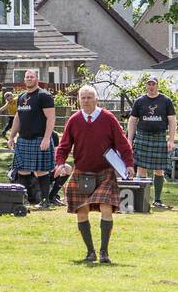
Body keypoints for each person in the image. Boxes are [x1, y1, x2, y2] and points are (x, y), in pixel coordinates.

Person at [55, 85, 133, 264]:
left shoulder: (108, 118)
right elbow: (64, 145)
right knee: (81, 212)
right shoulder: (74, 120)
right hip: (82, 171)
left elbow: (122, 143)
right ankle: (90, 252)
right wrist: (60, 163)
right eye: (83, 97)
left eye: (89, 97)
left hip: (105, 172)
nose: (86, 100)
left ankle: (104, 252)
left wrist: (128, 164)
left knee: (106, 207)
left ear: (96, 99)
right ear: (78, 100)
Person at [126, 75, 175, 210]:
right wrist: (129, 140)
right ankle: (142, 199)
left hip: (159, 136)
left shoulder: (166, 101)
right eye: (149, 84)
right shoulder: (139, 101)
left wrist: (171, 140)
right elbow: (132, 120)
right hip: (142, 136)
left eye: (153, 84)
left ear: (157, 85)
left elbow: (172, 120)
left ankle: (157, 200)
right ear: (146, 86)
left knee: (159, 170)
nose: (151, 86)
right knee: (141, 168)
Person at [8, 70, 57, 207]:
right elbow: (18, 117)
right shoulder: (21, 97)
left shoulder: (44, 96)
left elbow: (51, 118)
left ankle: (45, 201)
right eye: (27, 77)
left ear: (37, 79)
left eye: (32, 77)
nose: (29, 79)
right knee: (22, 169)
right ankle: (23, 200)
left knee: (41, 170)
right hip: (23, 139)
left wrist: (47, 138)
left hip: (39, 138)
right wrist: (12, 136)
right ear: (24, 79)